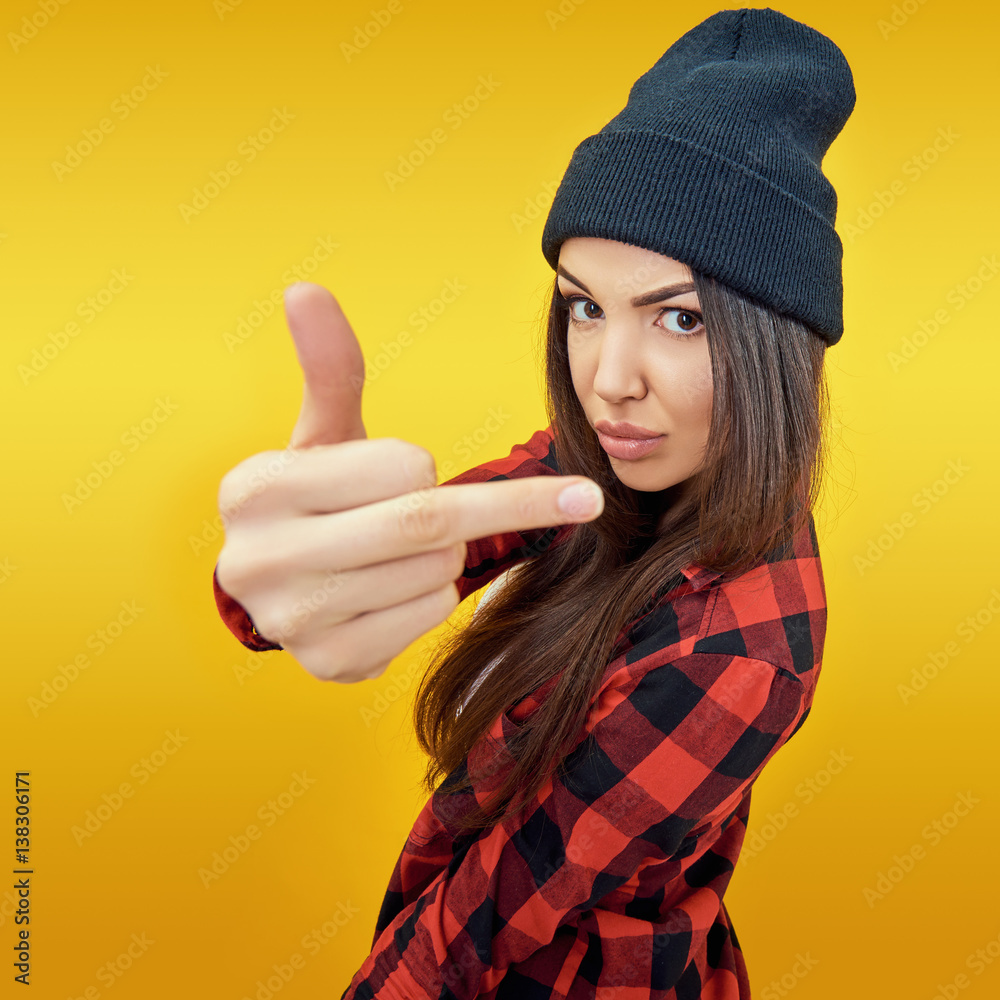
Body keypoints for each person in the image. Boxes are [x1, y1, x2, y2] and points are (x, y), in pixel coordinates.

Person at [212, 7, 855, 997]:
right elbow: (413, 542)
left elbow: (476, 927)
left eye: (679, 318)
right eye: (584, 307)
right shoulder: (607, 461)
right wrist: (289, 563)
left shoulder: (742, 649)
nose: (609, 380)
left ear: (776, 345)